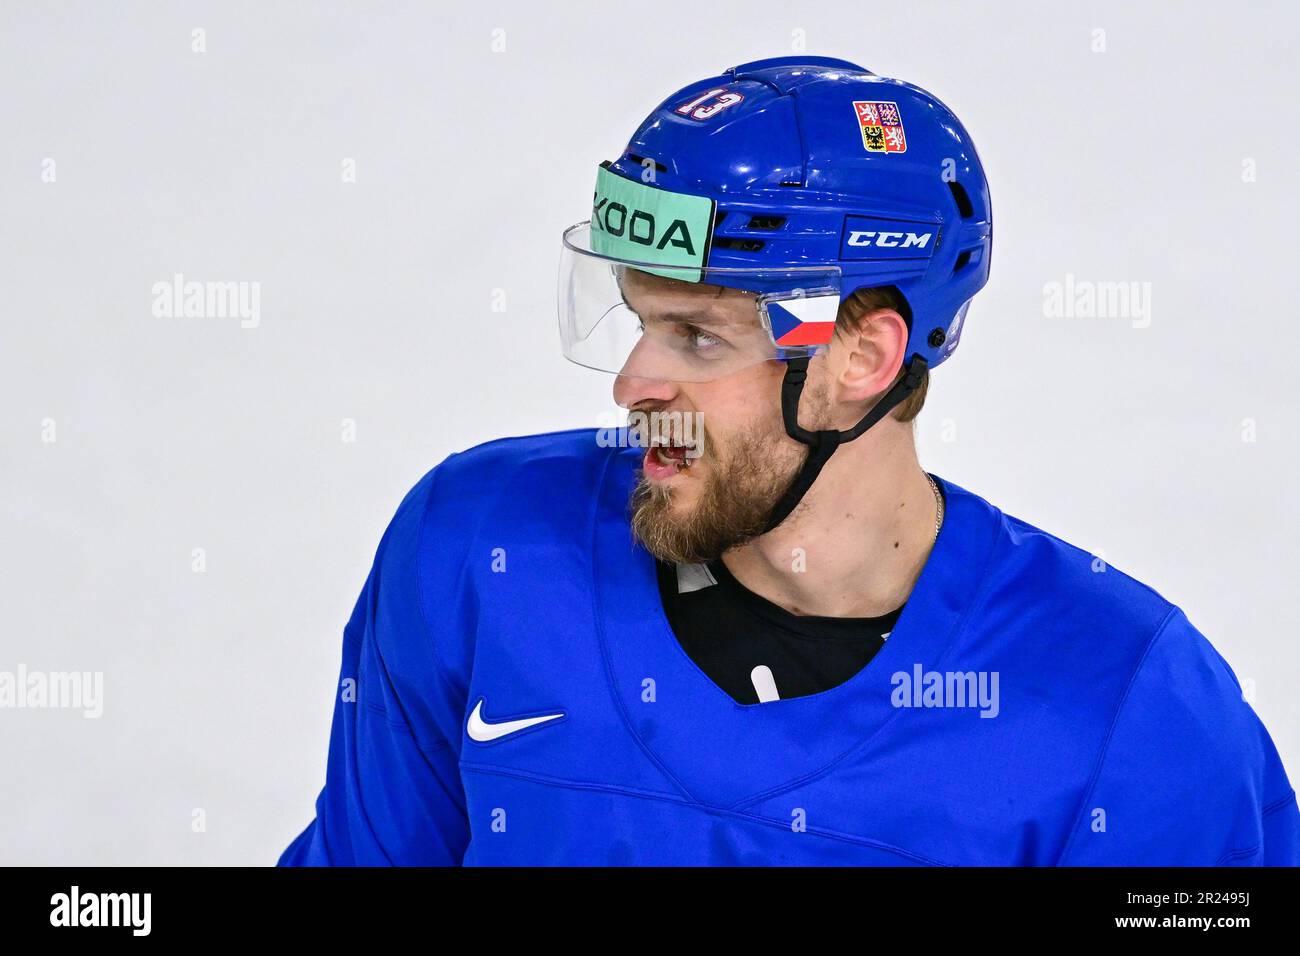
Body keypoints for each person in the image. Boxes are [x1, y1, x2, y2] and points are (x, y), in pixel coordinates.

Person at [279, 56, 1298, 866]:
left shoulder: (1123, 704)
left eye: (698, 337)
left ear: (862, 357)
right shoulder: (477, 547)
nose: (633, 382)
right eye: (638, 322)